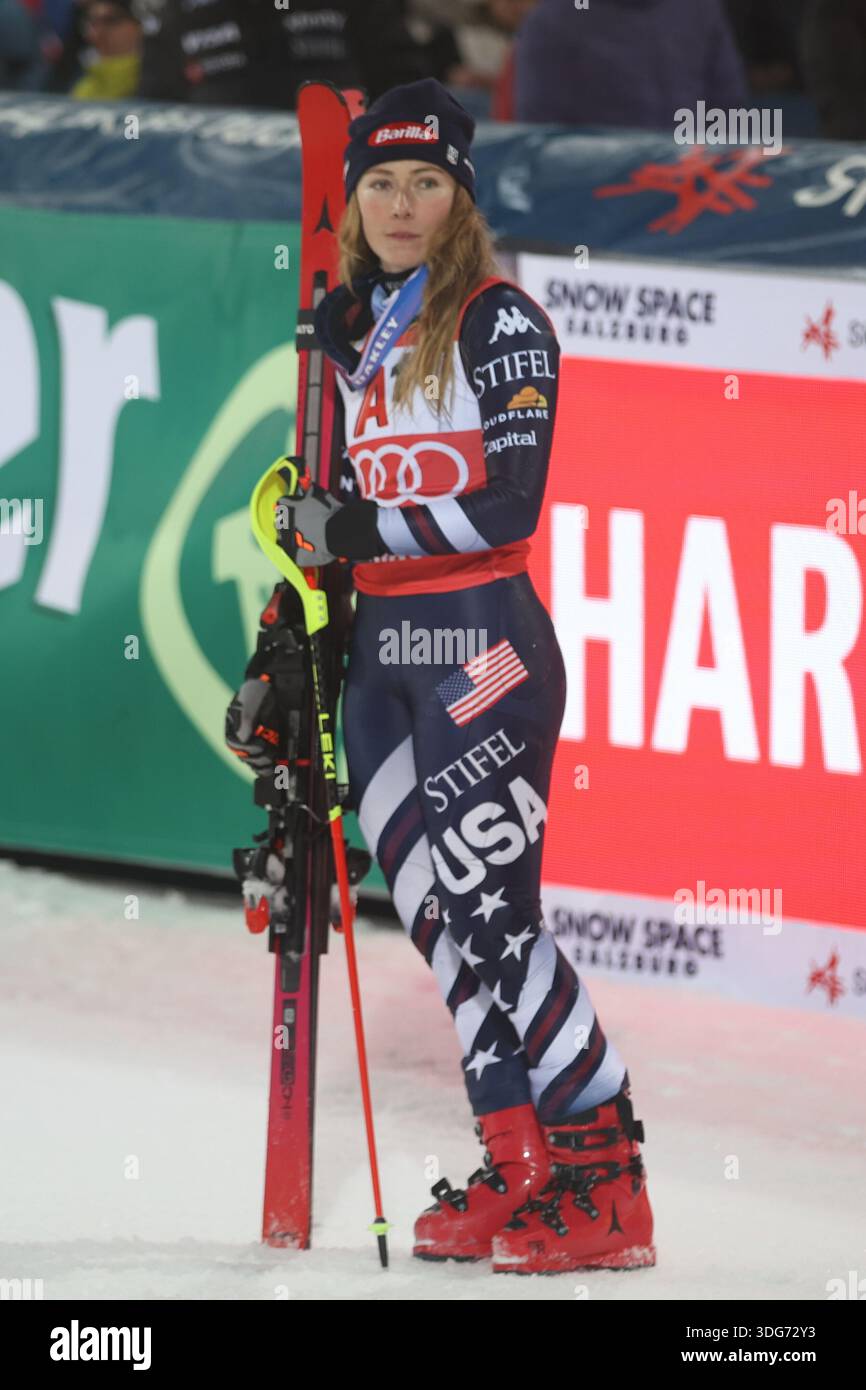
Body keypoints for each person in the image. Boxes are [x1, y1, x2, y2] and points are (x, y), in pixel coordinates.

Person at [276, 78, 656, 1274]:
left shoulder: (498, 322)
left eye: (424, 182)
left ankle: (607, 1181)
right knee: (441, 927)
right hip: (379, 659)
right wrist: (294, 612)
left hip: (480, 648)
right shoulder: (345, 333)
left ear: (460, 200)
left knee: (498, 917)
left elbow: (508, 500)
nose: (399, 203)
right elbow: (319, 516)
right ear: (352, 201)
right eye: (378, 182)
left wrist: (358, 533)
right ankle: (519, 1157)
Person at [514, 0, 748, 130]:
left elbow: (727, 107)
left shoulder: (699, 8)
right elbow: (539, 136)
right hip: (598, 198)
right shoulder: (551, 21)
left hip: (694, 187)